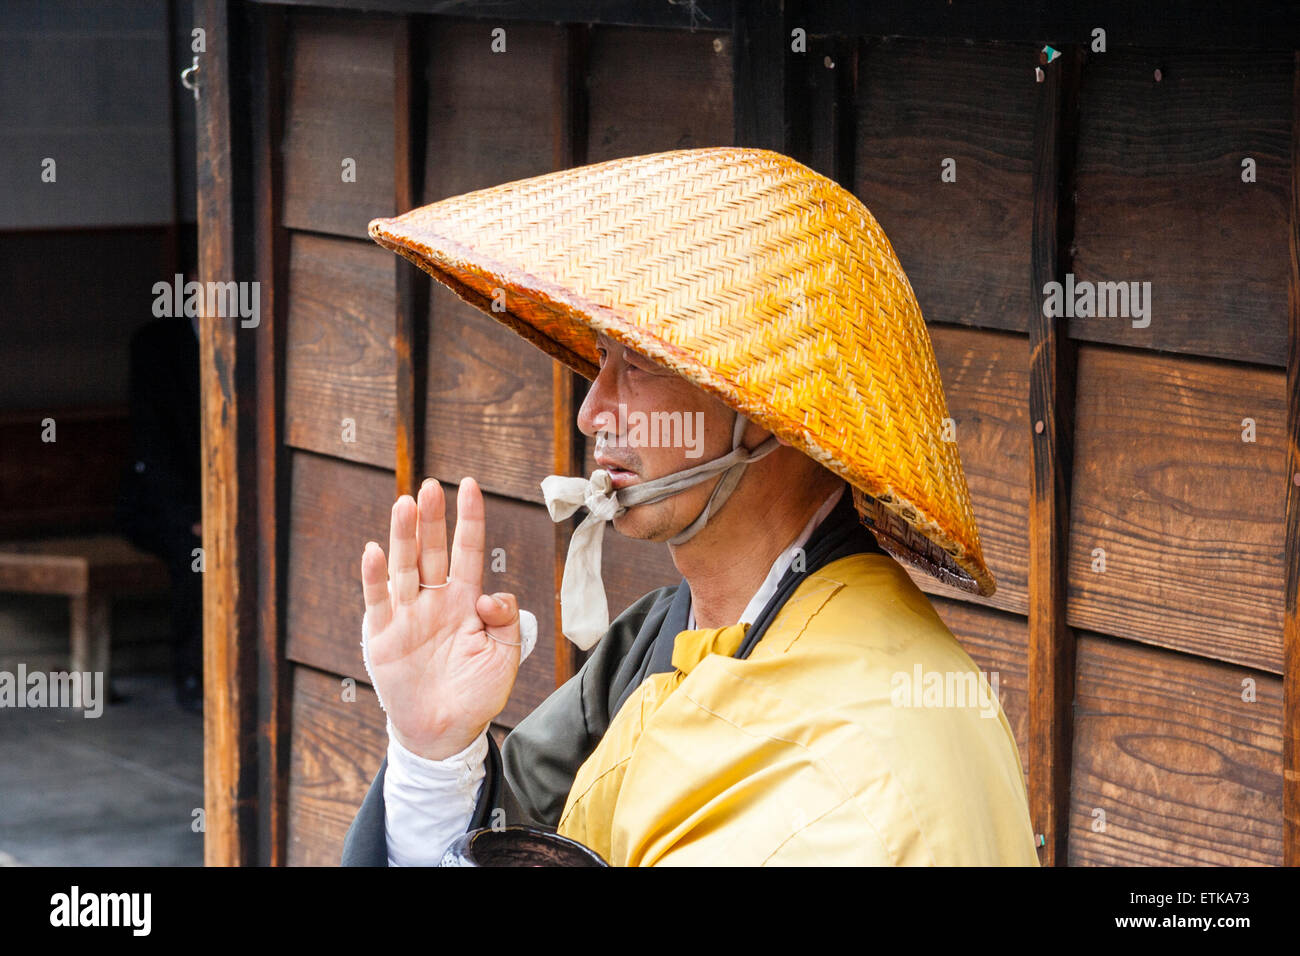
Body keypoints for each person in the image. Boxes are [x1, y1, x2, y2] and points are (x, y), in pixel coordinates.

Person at [342, 147, 1038, 866]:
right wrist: (435, 754)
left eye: (635, 365)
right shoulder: (666, 633)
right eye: (601, 362)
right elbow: (518, 830)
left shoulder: (842, 774)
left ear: (762, 412)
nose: (591, 412)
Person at [115, 310, 203, 713]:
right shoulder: (156, 342)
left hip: (217, 500)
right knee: (196, 558)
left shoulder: (244, 333)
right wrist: (191, 515)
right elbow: (152, 445)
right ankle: (192, 676)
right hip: (158, 502)